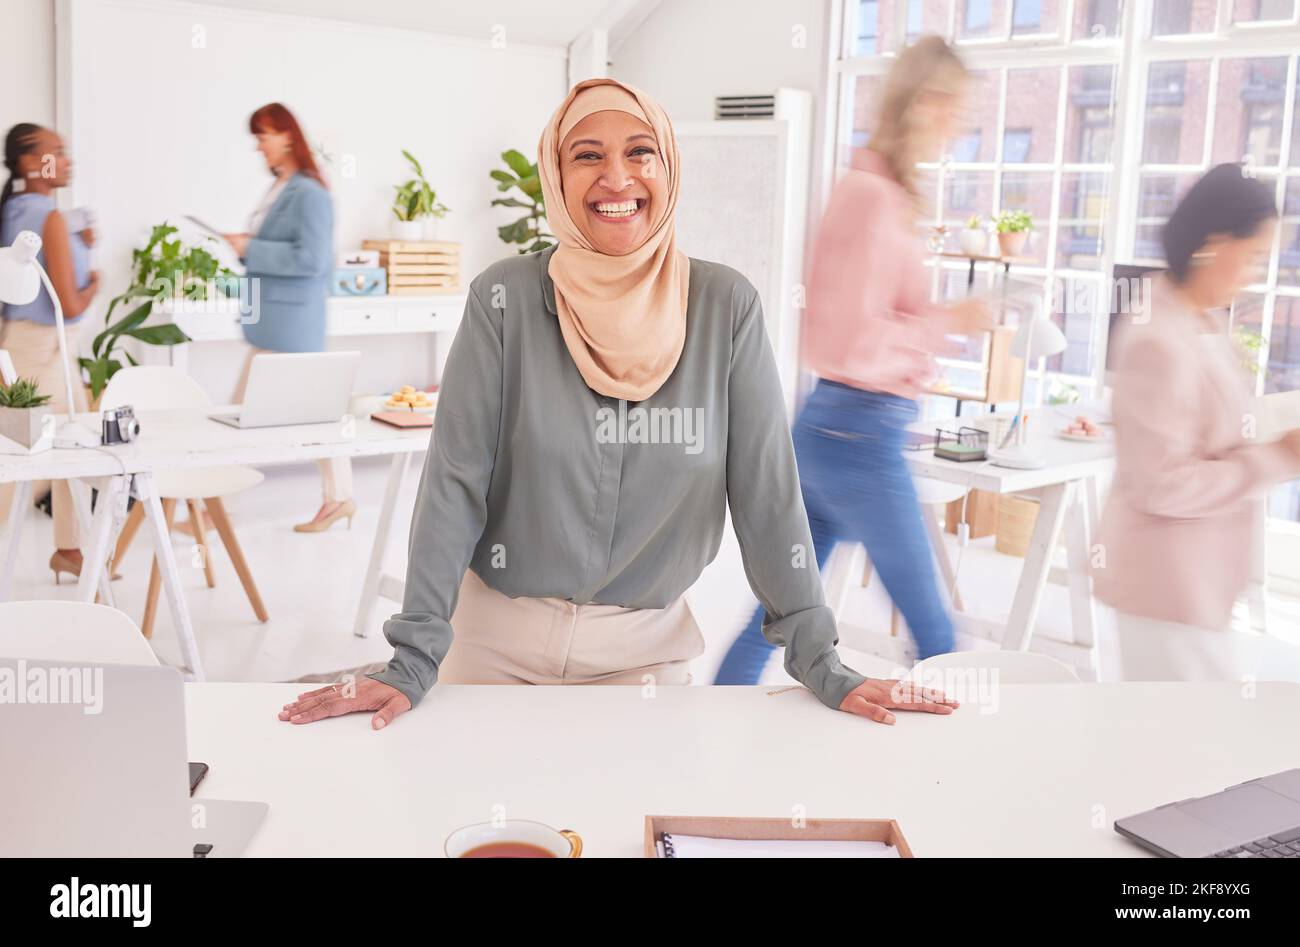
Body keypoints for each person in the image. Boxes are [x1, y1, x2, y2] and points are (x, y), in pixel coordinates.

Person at [278, 78, 957, 730]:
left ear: (668, 165)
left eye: (639, 151)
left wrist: (823, 661)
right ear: (558, 176)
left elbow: (768, 496)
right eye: (587, 156)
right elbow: (454, 483)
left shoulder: (725, 308)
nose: (617, 177)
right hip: (491, 649)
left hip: (645, 663)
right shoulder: (504, 299)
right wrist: (413, 657)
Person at [715, 37, 990, 684]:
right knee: (936, 632)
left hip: (834, 426)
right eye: (958, 114)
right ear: (927, 104)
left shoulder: (873, 190)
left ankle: (714, 715)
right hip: (858, 434)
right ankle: (963, 771)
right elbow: (852, 342)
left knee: (782, 609)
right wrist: (953, 322)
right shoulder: (871, 199)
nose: (961, 131)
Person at [1096, 163, 1300, 681]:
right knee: (1178, 748)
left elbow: (1220, 426)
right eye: (1254, 257)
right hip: (1166, 587)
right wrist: (1277, 458)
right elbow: (1162, 483)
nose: (1256, 275)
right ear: (1214, 243)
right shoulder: (1157, 338)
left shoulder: (1197, 317)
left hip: (1197, 585)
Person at [221, 103, 350, 533]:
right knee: (308, 416)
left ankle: (213, 507)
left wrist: (249, 248)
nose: (259, 148)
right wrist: (248, 245)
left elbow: (314, 260)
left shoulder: (309, 192)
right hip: (278, 324)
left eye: (263, 137)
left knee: (248, 415)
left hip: (291, 328)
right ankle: (339, 499)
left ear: (287, 136)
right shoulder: (284, 187)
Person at [0, 123, 100, 582]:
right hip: (47, 350)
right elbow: (72, 302)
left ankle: (69, 548)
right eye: (54, 152)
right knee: (40, 456)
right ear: (27, 163)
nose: (66, 159)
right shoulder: (50, 218)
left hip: (24, 344)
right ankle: (70, 549)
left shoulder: (16, 210)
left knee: (56, 452)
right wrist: (95, 278)